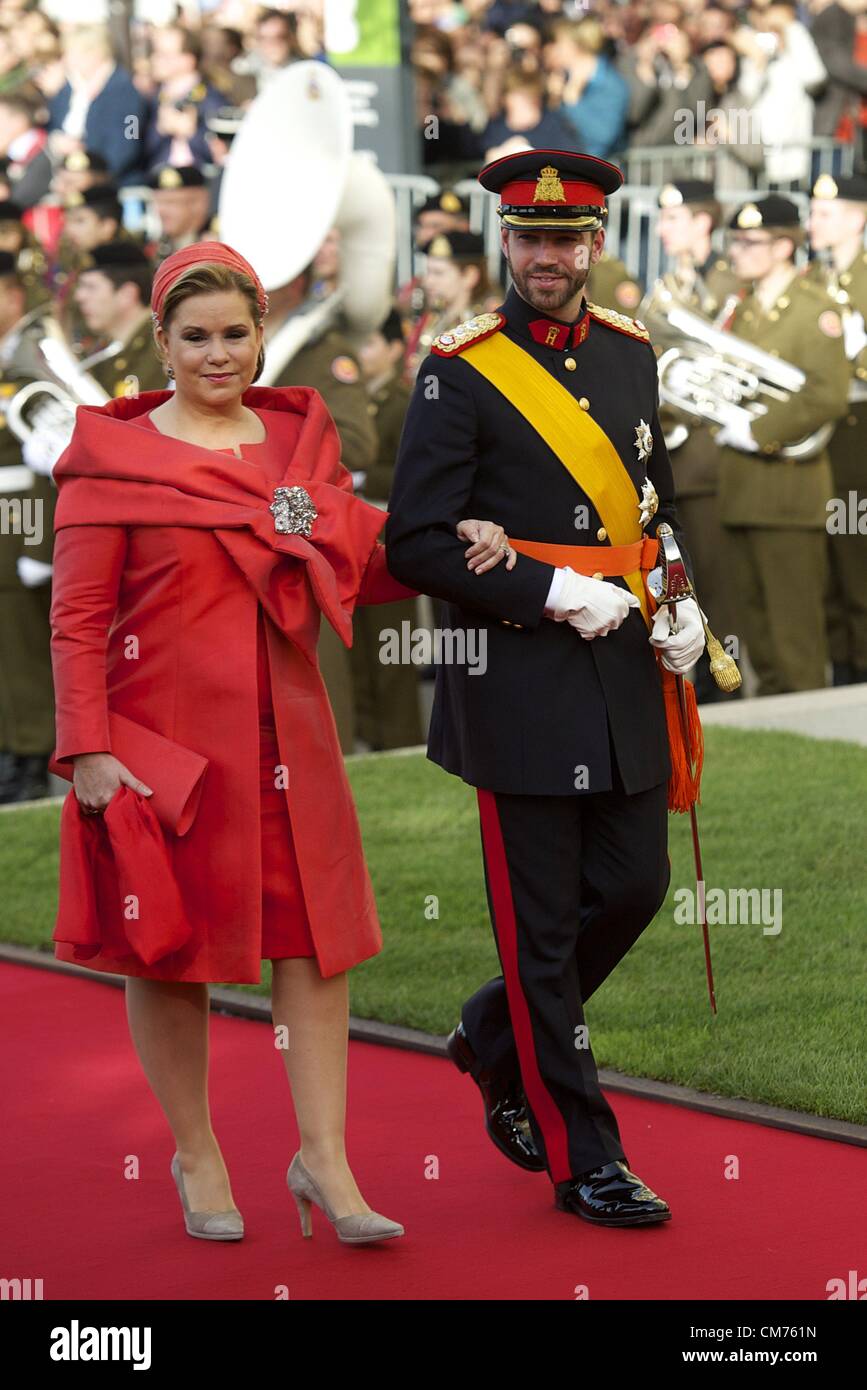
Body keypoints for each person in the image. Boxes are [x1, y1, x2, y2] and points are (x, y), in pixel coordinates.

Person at [48, 239, 513, 1245]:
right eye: (197, 337)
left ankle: (325, 1159)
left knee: (315, 943)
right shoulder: (107, 460)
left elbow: (353, 554)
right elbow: (78, 621)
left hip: (291, 734)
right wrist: (86, 749)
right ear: (161, 342)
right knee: (171, 952)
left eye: (236, 335)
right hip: (160, 748)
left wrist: (453, 546)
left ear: (263, 335)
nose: (219, 356)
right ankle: (197, 1152)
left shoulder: (298, 446)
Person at [386, 149, 706, 1227]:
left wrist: (679, 598)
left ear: (597, 242)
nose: (547, 258)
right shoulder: (458, 367)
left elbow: (651, 507)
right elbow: (416, 541)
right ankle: (586, 1157)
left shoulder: (630, 355)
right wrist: (552, 590)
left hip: (622, 673)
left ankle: (491, 1027)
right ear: (505, 242)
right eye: (529, 238)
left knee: (635, 886)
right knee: (545, 938)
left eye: (566, 240)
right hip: (518, 680)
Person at [717, 195, 850, 695]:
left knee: (796, 641)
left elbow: (827, 395)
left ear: (783, 246)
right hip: (740, 491)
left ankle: (811, 738)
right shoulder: (742, 310)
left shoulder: (818, 310)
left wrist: (758, 430)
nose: (737, 252)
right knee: (759, 639)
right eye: (735, 241)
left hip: (789, 495)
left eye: (750, 242)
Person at [652, 179, 742, 701]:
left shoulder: (728, 283)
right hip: (676, 456)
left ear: (704, 222)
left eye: (674, 219)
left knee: (720, 584)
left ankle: (722, 683)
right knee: (687, 579)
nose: (663, 229)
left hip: (716, 456)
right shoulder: (668, 286)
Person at [806, 172, 867, 685]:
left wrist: (855, 351)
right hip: (820, 423)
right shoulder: (813, 279)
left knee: (855, 548)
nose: (812, 223)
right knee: (826, 550)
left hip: (857, 425)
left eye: (824, 213)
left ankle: (861, 661)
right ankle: (840, 660)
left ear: (857, 218)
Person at [0, 250, 55, 803]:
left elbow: (46, 457)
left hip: (19, 520)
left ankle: (33, 753)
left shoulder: (31, 354)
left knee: (23, 644)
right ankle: (13, 749)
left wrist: (40, 543)